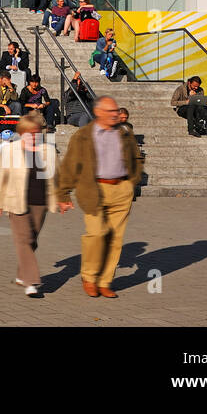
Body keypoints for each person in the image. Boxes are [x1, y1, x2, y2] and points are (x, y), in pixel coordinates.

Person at [56, 96, 143, 298]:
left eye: (116, 111)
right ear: (98, 113)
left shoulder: (124, 132)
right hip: (94, 190)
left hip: (121, 189)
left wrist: (132, 180)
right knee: (96, 235)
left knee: (115, 238)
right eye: (111, 111)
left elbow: (136, 156)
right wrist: (63, 193)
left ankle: (105, 281)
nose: (116, 114)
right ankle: (89, 276)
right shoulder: (83, 136)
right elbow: (70, 165)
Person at [0, 111, 60, 297]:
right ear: (21, 133)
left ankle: (22, 274)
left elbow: (56, 178)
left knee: (31, 241)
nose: (33, 136)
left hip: (40, 203)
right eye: (29, 132)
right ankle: (31, 281)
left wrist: (62, 198)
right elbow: (0, 178)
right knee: (24, 240)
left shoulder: (49, 151)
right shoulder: (10, 150)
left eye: (36, 132)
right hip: (16, 202)